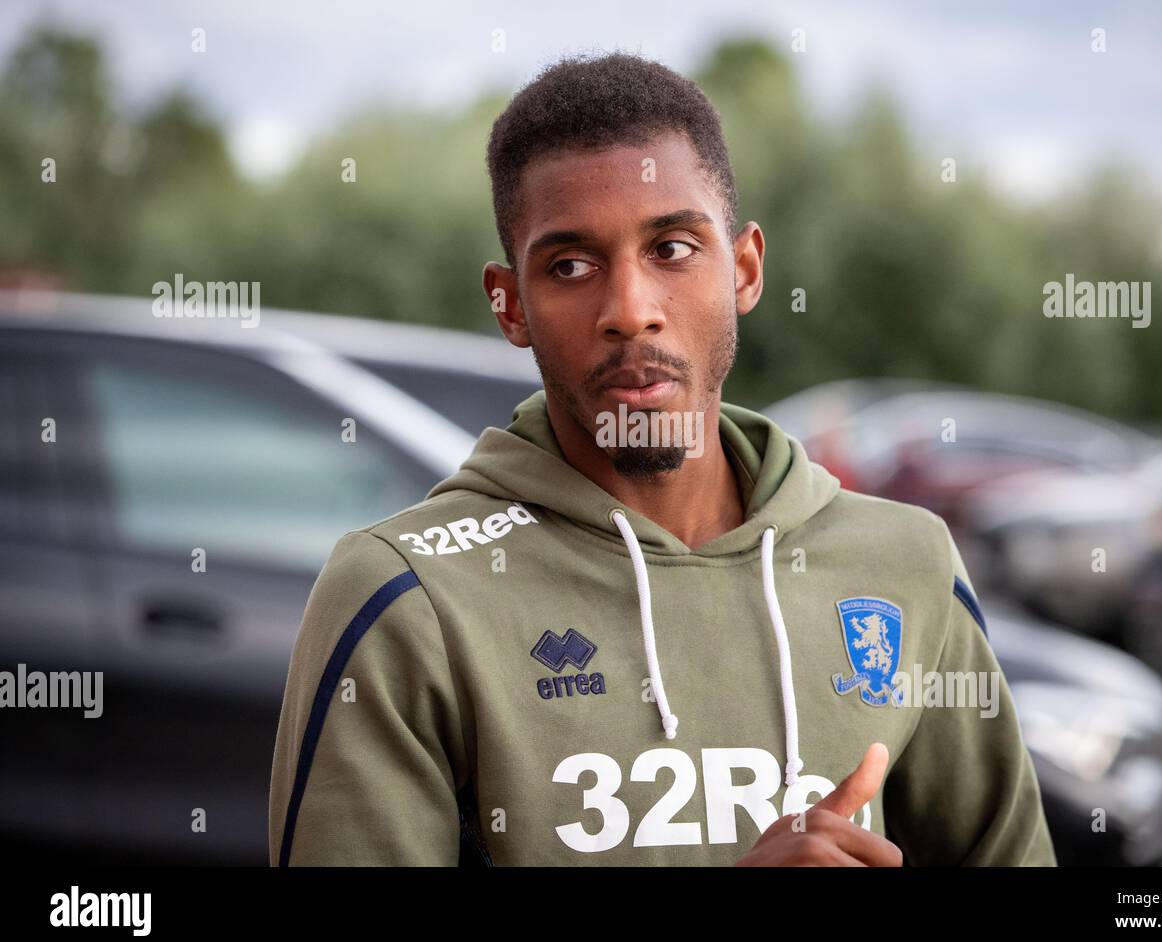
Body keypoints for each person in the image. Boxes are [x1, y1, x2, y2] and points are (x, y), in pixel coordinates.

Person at [268, 51, 1056, 867]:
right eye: (570, 265)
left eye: (673, 249)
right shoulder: (405, 596)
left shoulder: (905, 564)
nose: (630, 311)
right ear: (510, 305)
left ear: (744, 269)